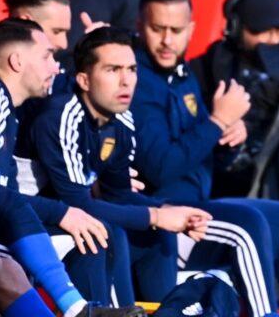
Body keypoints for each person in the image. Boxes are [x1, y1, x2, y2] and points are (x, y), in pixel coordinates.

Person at [131, 0, 279, 317]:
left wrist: (231, 136)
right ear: (139, 26)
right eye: (157, 29)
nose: (167, 41)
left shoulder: (182, 74)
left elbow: (204, 156)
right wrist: (216, 122)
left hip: (198, 204)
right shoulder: (137, 81)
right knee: (246, 223)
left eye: (176, 30)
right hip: (162, 216)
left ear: (191, 29)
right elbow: (159, 167)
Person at [27, 27, 212, 304]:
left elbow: (119, 193)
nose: (126, 81)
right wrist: (157, 216)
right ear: (84, 80)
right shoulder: (61, 117)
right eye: (113, 70)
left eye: (132, 69)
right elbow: (80, 207)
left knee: (156, 233)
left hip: (75, 219)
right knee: (107, 232)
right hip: (30, 219)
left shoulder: (121, 119)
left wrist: (166, 211)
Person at [0, 19, 137, 317]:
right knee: (5, 269)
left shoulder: (9, 113)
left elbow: (9, 199)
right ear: (17, 60)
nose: (56, 67)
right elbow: (7, 200)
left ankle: (79, 309)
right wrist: (63, 212)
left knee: (92, 235)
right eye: (47, 56)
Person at [192, 0, 279, 198]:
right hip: (225, 186)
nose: (273, 40)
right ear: (235, 28)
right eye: (263, 31)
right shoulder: (206, 68)